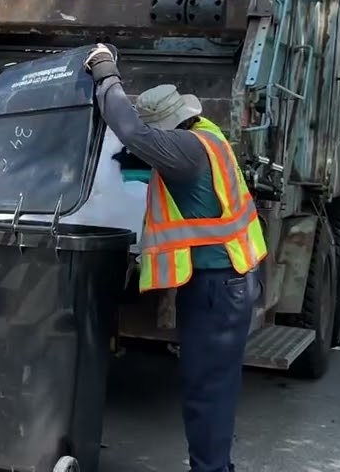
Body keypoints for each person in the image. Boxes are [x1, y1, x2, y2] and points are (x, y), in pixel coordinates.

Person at [84, 43, 268, 472]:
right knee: (211, 386)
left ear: (167, 125)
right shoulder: (209, 134)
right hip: (230, 278)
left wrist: (104, 70)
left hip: (217, 289)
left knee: (207, 390)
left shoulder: (183, 152)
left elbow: (130, 133)